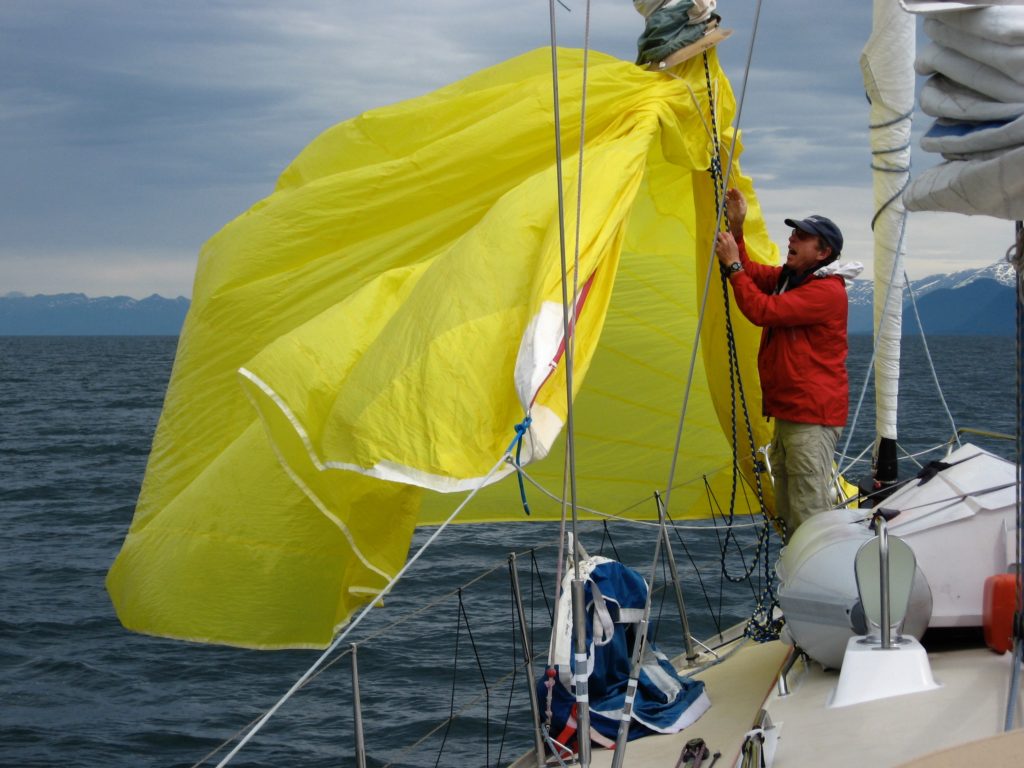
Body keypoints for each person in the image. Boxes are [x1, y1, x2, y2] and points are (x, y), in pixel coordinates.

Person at [713, 188, 860, 538]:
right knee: (790, 506)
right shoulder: (792, 280)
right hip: (793, 415)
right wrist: (736, 230)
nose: (792, 238)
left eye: (803, 236)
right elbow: (748, 271)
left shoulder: (825, 293)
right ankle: (802, 573)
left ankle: (821, 580)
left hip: (811, 417)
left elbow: (762, 311)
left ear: (823, 252)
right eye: (794, 232)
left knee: (809, 511)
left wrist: (732, 264)